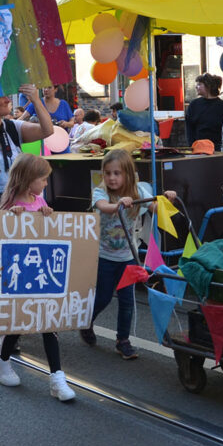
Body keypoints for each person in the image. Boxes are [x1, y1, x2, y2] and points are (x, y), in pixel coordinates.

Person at [0, 155, 76, 402]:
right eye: (44, 178)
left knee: (48, 324)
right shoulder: (11, 205)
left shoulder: (38, 201)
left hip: (41, 273)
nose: (47, 183)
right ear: (29, 180)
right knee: (19, 324)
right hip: (20, 278)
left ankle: (57, 377)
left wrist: (47, 213)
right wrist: (11, 217)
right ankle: (1, 361)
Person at [85, 149, 173, 359]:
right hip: (105, 256)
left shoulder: (139, 193)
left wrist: (167, 198)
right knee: (104, 297)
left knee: (127, 300)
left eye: (117, 173)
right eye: (108, 173)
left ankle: (122, 340)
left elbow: (155, 207)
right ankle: (86, 321)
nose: (112, 178)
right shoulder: (101, 192)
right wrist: (118, 204)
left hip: (128, 257)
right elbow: (103, 207)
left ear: (128, 175)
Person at [184, 74, 223, 147]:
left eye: (199, 84)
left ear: (208, 86)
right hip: (198, 147)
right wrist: (191, 145)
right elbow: (189, 128)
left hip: (218, 147)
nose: (196, 87)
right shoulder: (194, 104)